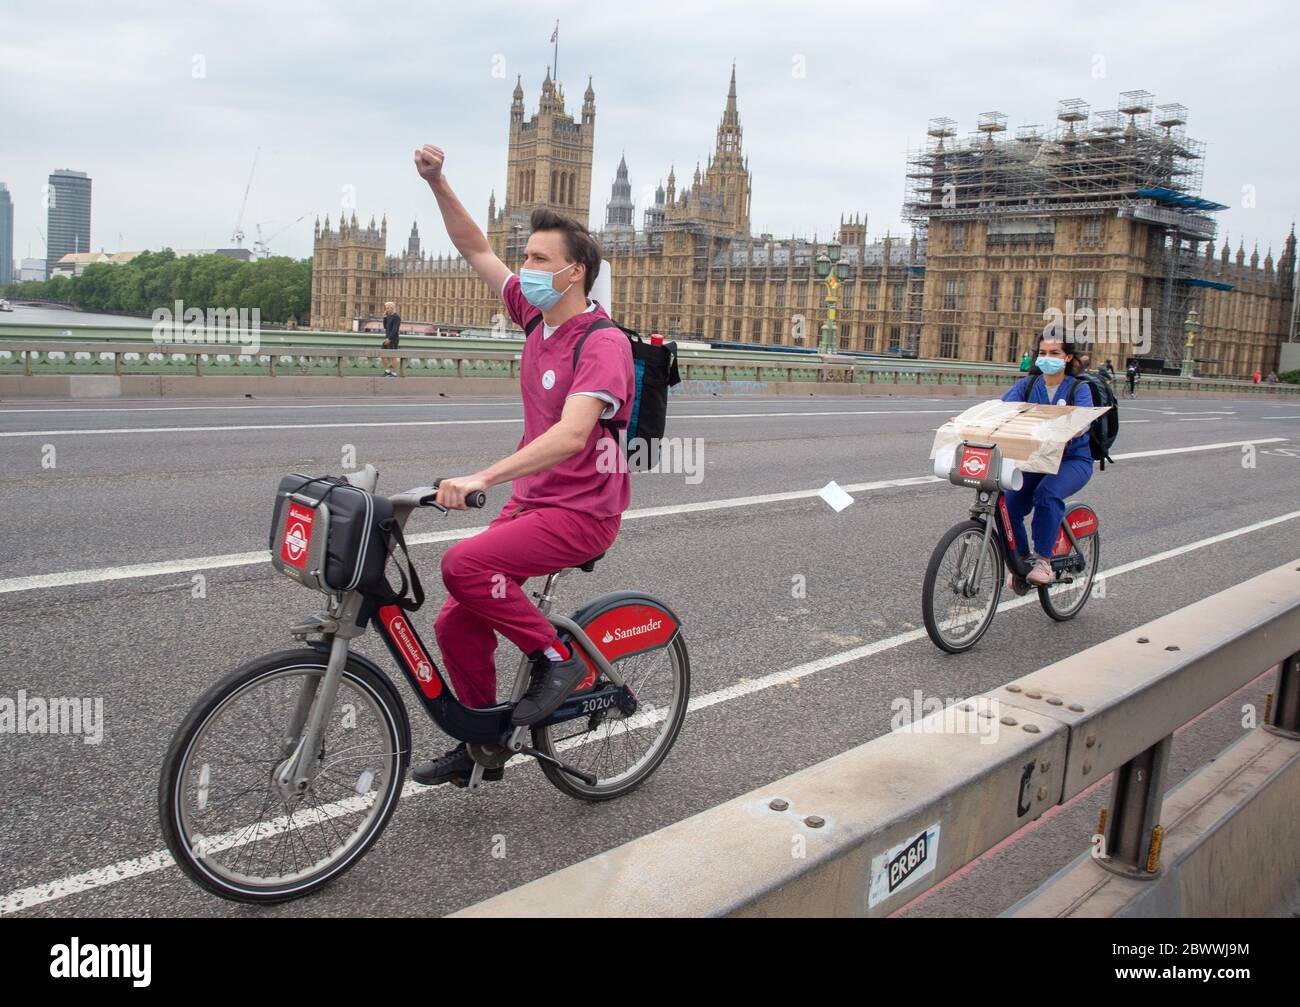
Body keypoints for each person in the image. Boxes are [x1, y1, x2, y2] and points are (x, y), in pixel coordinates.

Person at [409, 143, 635, 787]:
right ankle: (483, 737)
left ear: (574, 273)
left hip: (584, 510)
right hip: (536, 503)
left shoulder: (604, 343)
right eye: (527, 257)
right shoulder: (534, 316)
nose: (525, 268)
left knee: (464, 564)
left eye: (538, 259)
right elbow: (475, 248)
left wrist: (482, 476)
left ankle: (554, 657)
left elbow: (572, 435)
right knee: (457, 618)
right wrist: (439, 182)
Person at [1001, 330, 1094, 586]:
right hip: (1037, 459)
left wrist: (1065, 428)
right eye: (1042, 353)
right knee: (1008, 504)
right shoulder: (1028, 385)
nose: (1047, 358)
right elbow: (1003, 410)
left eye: (1054, 353)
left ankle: (1043, 560)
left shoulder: (1078, 388)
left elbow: (1083, 421)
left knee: (1047, 494)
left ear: (1067, 358)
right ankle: (1021, 559)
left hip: (1072, 461)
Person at [381, 302, 401, 377]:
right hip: (387, 338)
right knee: (383, 354)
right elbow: (385, 327)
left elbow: (395, 329)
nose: (386, 310)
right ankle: (387, 371)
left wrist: (389, 338)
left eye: (387, 308)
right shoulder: (389, 316)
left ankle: (393, 372)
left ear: (392, 308)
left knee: (393, 356)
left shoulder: (397, 317)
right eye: (386, 308)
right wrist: (384, 318)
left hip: (393, 339)